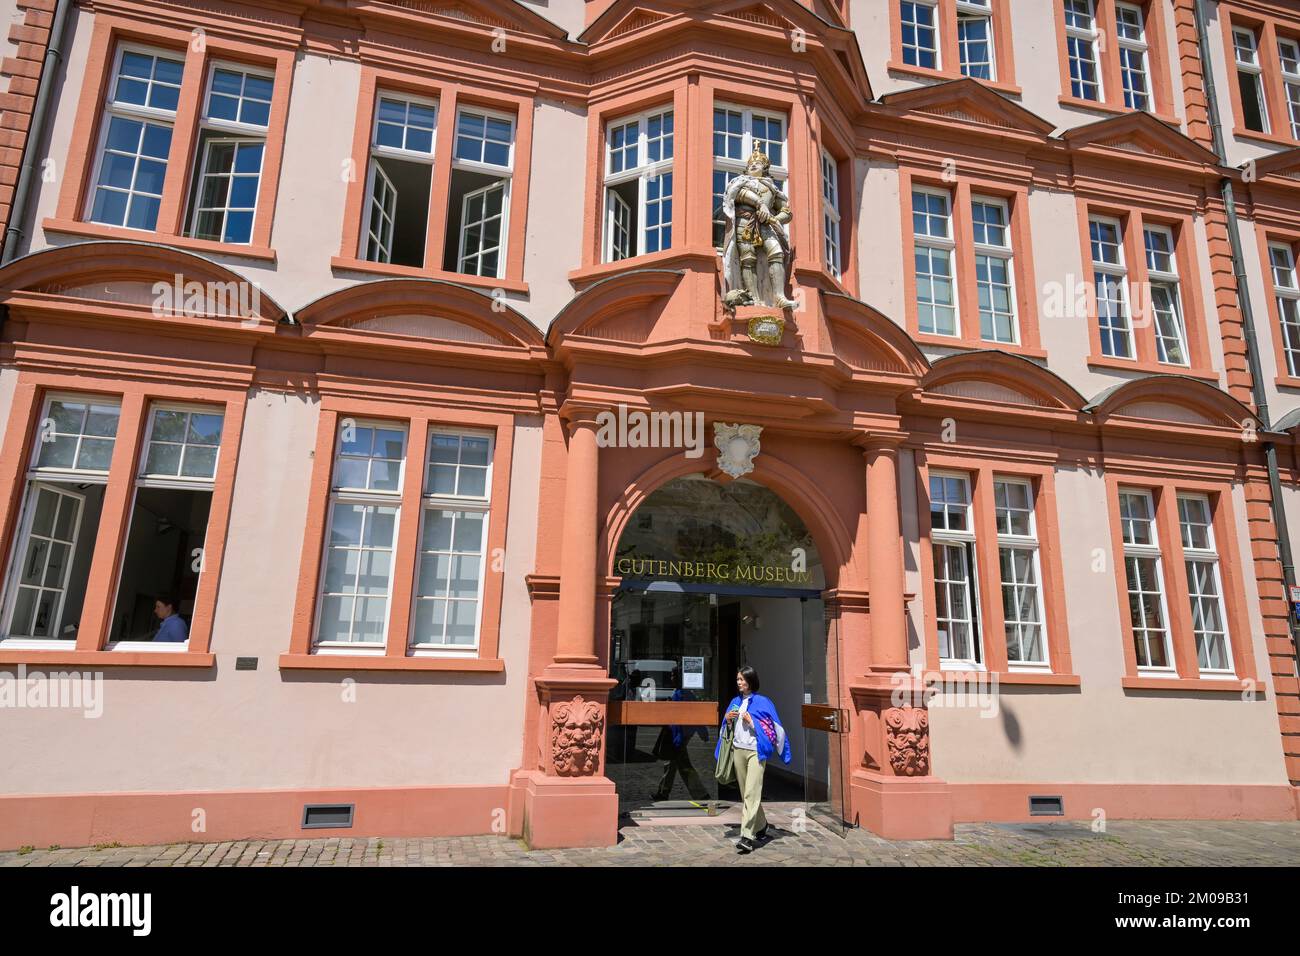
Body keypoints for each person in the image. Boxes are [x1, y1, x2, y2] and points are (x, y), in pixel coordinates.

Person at [716, 665, 791, 854]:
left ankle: (747, 837)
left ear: (750, 681)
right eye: (738, 679)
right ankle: (762, 826)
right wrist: (727, 719)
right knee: (747, 795)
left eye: (742, 679)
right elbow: (727, 729)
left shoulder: (764, 702)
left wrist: (752, 723)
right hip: (738, 751)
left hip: (756, 753)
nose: (739, 683)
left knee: (751, 793)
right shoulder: (735, 702)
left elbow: (773, 729)